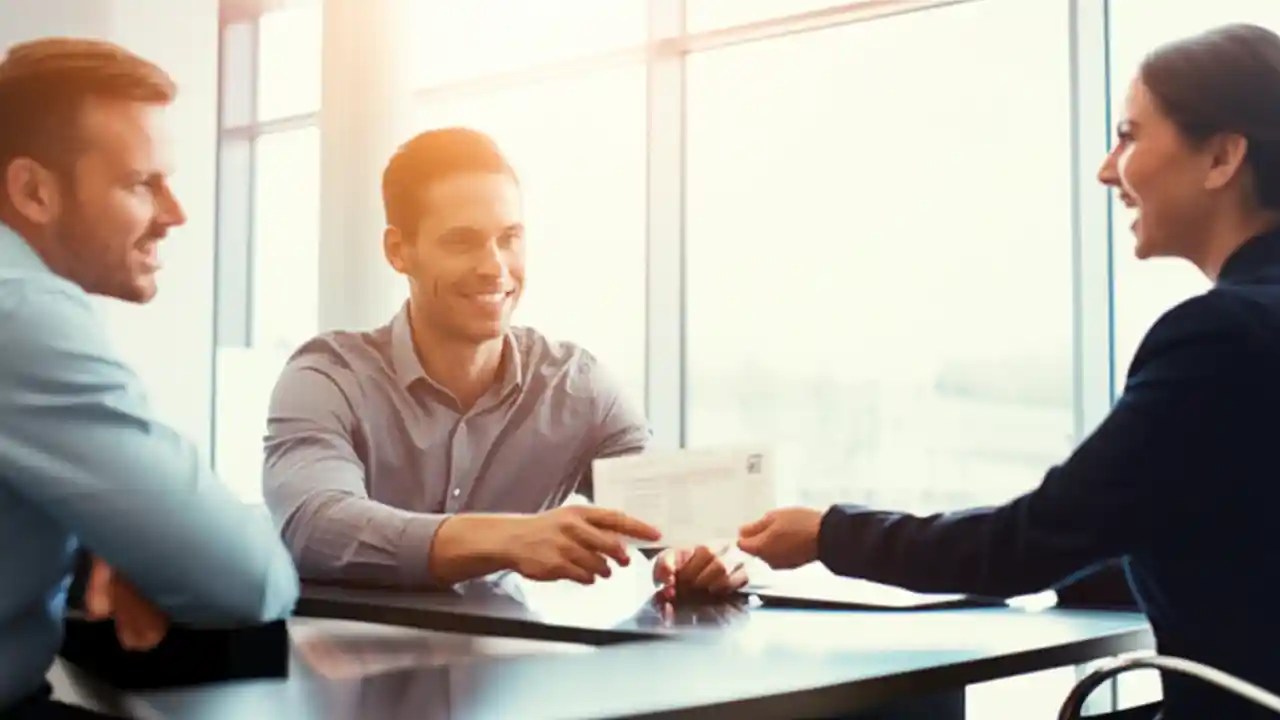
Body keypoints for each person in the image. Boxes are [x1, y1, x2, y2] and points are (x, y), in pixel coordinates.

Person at [738, 23, 1280, 720]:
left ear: (1222, 156)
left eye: (1129, 134)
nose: (1108, 168)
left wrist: (828, 534)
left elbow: (1026, 544)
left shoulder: (1219, 338)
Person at [264, 128, 743, 597]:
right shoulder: (327, 377)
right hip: (339, 660)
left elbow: (666, 518)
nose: (494, 266)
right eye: (462, 242)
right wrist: (508, 539)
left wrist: (696, 554)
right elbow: (314, 525)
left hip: (501, 661)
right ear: (398, 251)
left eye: (509, 237)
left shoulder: (576, 388)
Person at [0, 38, 299, 719]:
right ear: (33, 190)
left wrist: (119, 534)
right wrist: (155, 540)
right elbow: (248, 579)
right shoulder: (21, 309)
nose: (176, 213)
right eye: (143, 184)